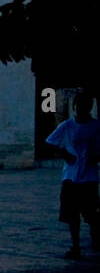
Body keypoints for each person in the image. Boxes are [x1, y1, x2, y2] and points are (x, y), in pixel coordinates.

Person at [45, 89, 100, 259]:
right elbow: (50, 142)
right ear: (75, 106)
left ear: (90, 107)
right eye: (78, 105)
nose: (80, 108)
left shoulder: (96, 126)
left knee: (92, 213)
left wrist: (95, 157)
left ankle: (95, 238)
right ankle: (75, 246)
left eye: (85, 105)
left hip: (89, 176)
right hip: (71, 176)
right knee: (72, 216)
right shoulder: (67, 126)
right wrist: (64, 153)